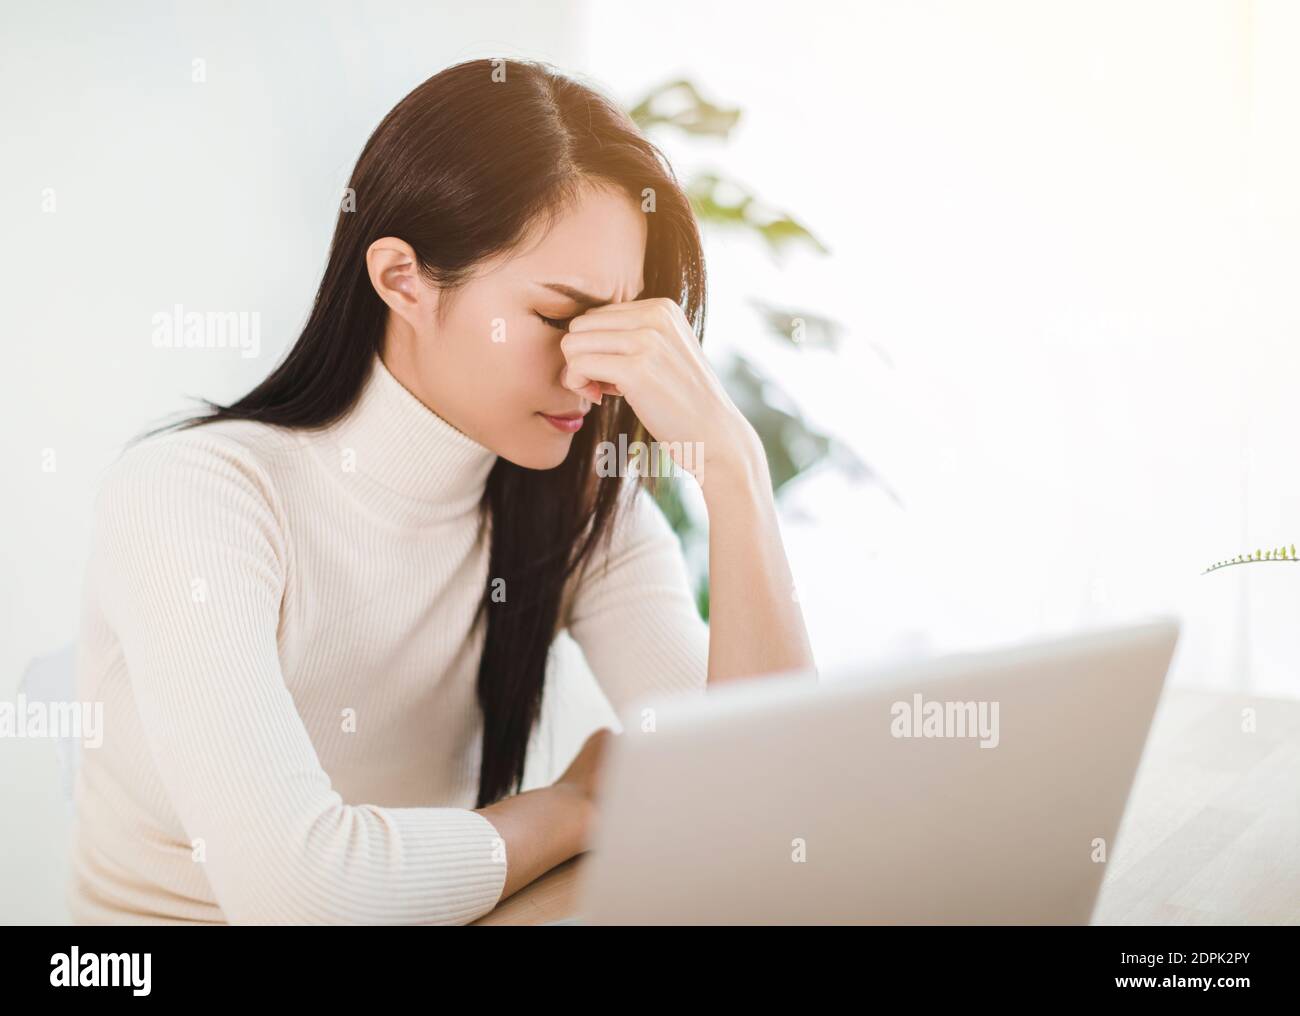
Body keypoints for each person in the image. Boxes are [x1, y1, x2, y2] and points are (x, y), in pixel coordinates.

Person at [67, 57, 815, 925]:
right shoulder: (197, 498)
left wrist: (733, 468)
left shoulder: (580, 512)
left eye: (625, 325)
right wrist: (576, 807)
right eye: (560, 318)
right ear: (402, 280)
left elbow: (780, 822)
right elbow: (305, 896)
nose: (595, 371)